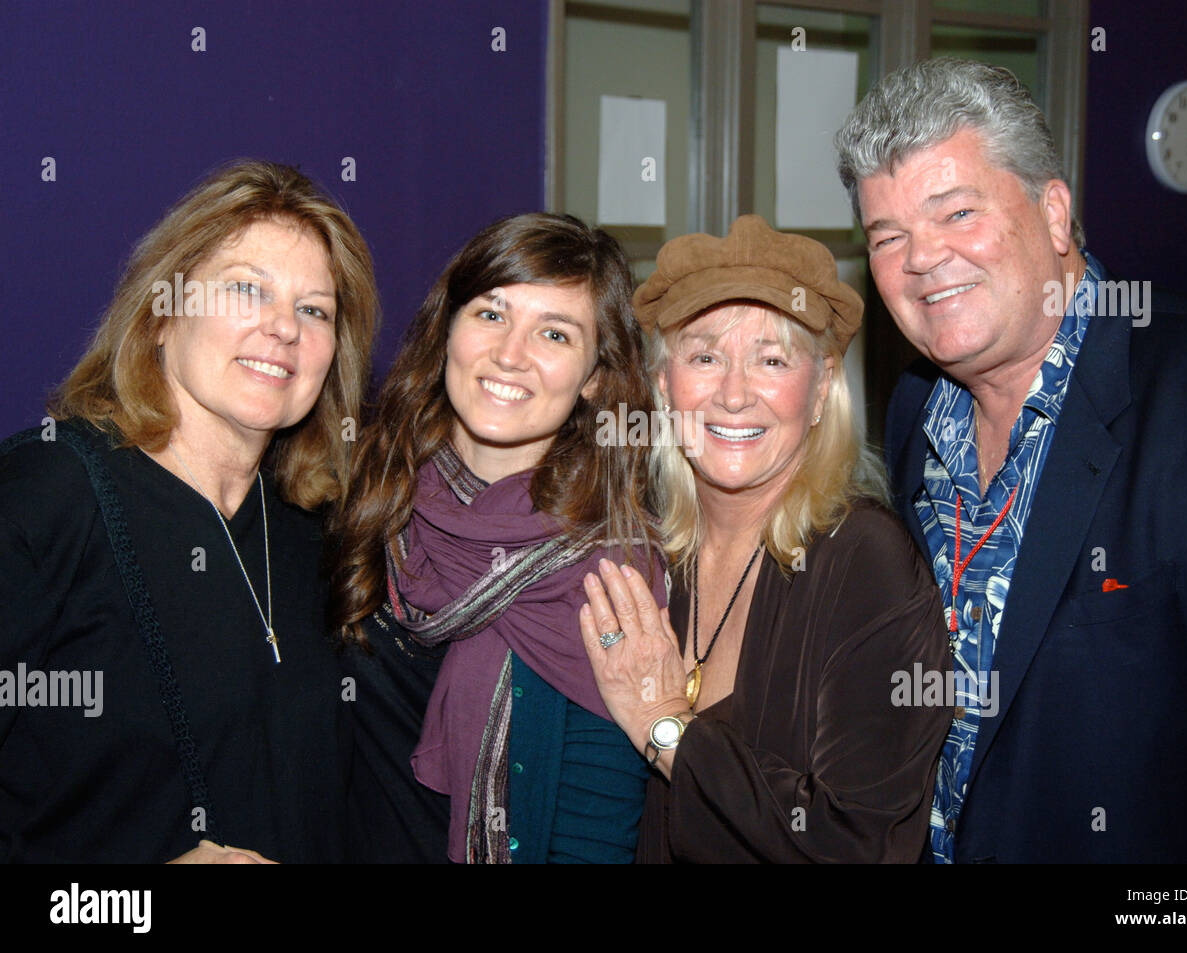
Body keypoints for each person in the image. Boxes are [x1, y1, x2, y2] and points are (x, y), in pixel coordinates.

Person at [834, 57, 1187, 863]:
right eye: (889, 236)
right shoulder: (915, 405)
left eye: (956, 213)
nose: (922, 259)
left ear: (1054, 212)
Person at [0, 159, 379, 863]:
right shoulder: (44, 496)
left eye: (314, 309)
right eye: (246, 289)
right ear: (161, 311)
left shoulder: (318, 532)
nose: (283, 329)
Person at [578, 214, 951, 863]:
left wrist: (666, 726)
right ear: (665, 386)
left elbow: (859, 841)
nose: (733, 393)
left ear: (821, 389)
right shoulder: (649, 552)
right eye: (704, 355)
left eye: (771, 359)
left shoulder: (867, 563)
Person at [331, 212, 663, 863]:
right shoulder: (365, 495)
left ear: (594, 377)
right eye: (490, 315)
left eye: (555, 333)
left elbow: (594, 836)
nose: (511, 353)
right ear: (448, 327)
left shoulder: (610, 573)